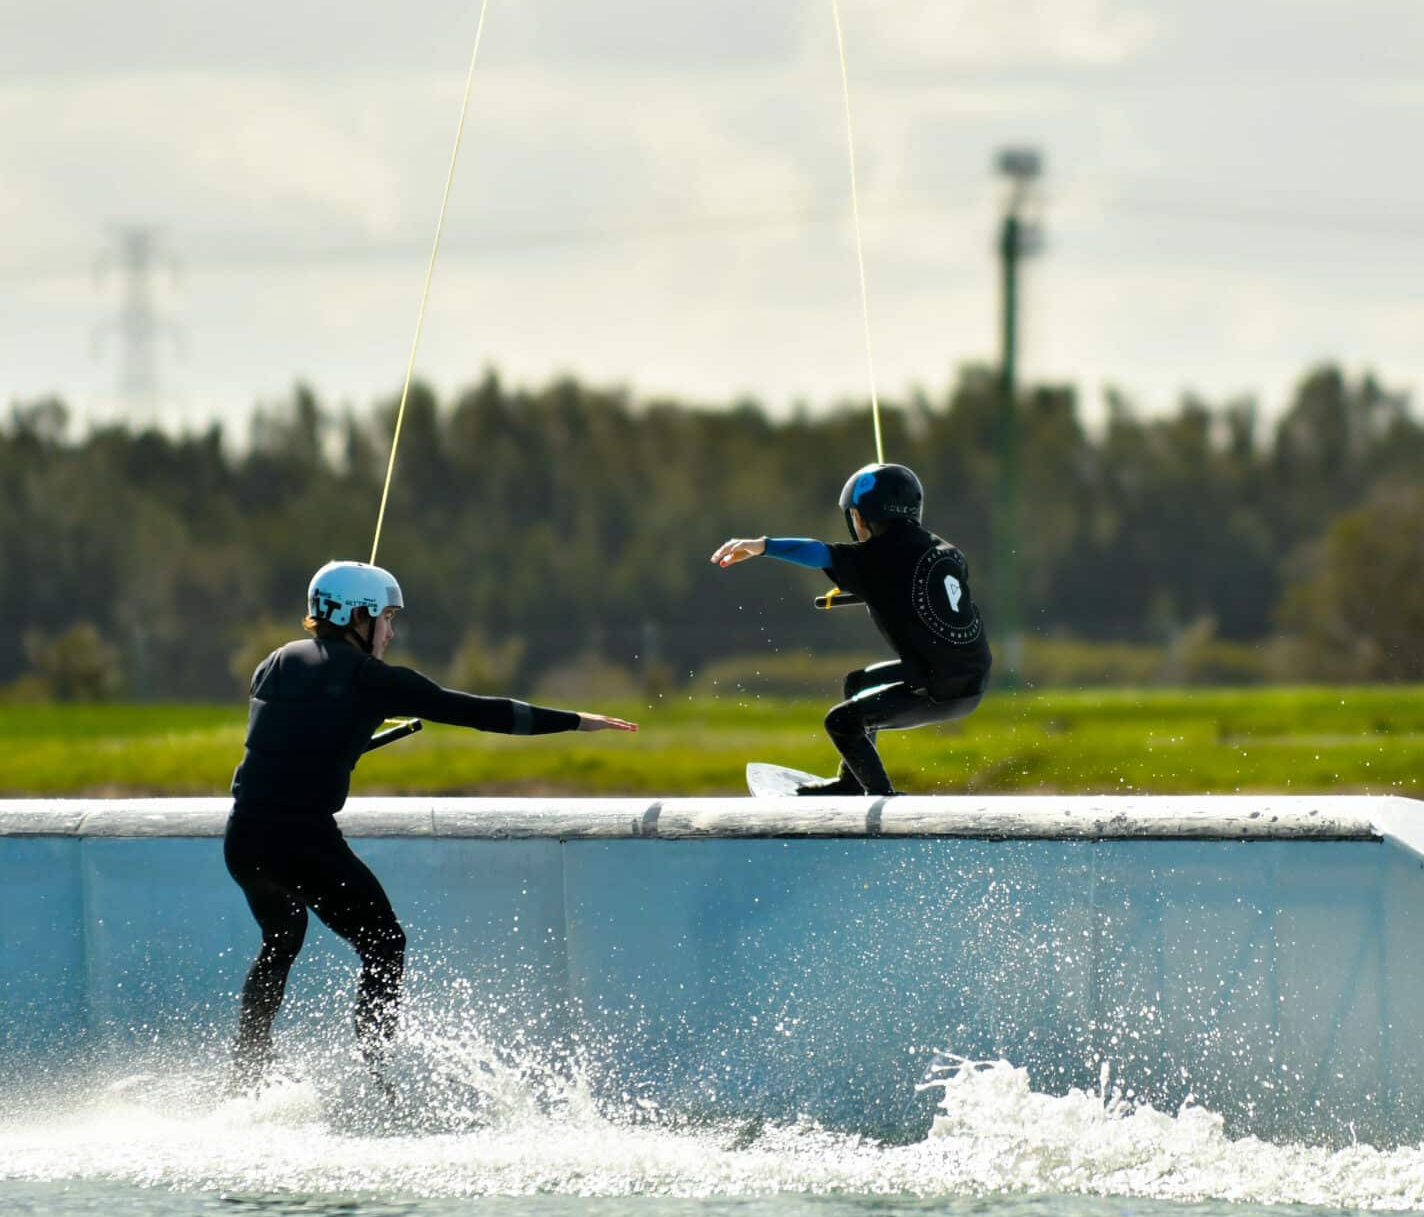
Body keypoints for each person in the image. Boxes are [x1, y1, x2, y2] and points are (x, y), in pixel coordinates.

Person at [224, 559, 637, 1085]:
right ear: (358, 615)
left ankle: (247, 1063)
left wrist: (342, 746)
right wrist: (577, 721)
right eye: (387, 618)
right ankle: (377, 1075)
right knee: (384, 942)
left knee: (282, 937)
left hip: (244, 838)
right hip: (300, 838)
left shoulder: (274, 663)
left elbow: (292, 739)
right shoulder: (372, 678)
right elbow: (477, 711)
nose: (392, 632)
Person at [710, 462, 991, 795]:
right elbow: (925, 594)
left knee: (841, 723)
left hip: (941, 690)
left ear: (859, 517)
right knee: (857, 684)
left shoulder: (872, 559)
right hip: (972, 679)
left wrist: (763, 545)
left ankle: (881, 800)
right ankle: (852, 782)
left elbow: (818, 552)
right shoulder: (947, 551)